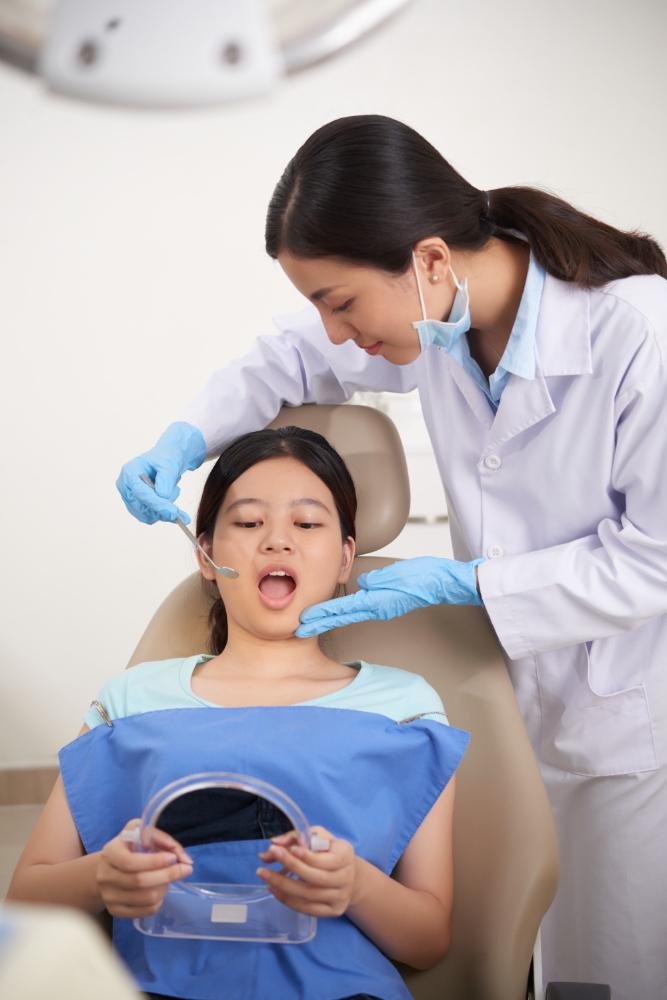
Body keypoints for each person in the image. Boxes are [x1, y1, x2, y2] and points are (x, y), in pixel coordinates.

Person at [115, 114, 667, 999]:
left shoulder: (638, 338)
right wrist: (186, 438)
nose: (335, 334)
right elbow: (284, 359)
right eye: (248, 521)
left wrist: (468, 584)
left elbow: (655, 561)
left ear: (431, 261)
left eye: (340, 303)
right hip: (514, 690)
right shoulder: (436, 330)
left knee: (607, 973)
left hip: (627, 714)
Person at [9, 425, 468, 1000]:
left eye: (307, 524)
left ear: (346, 556)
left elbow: (429, 940)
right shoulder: (131, 700)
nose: (277, 542)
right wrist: (101, 877)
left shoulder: (404, 709)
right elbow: (25, 899)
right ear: (205, 555)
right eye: (249, 523)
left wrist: (357, 886)